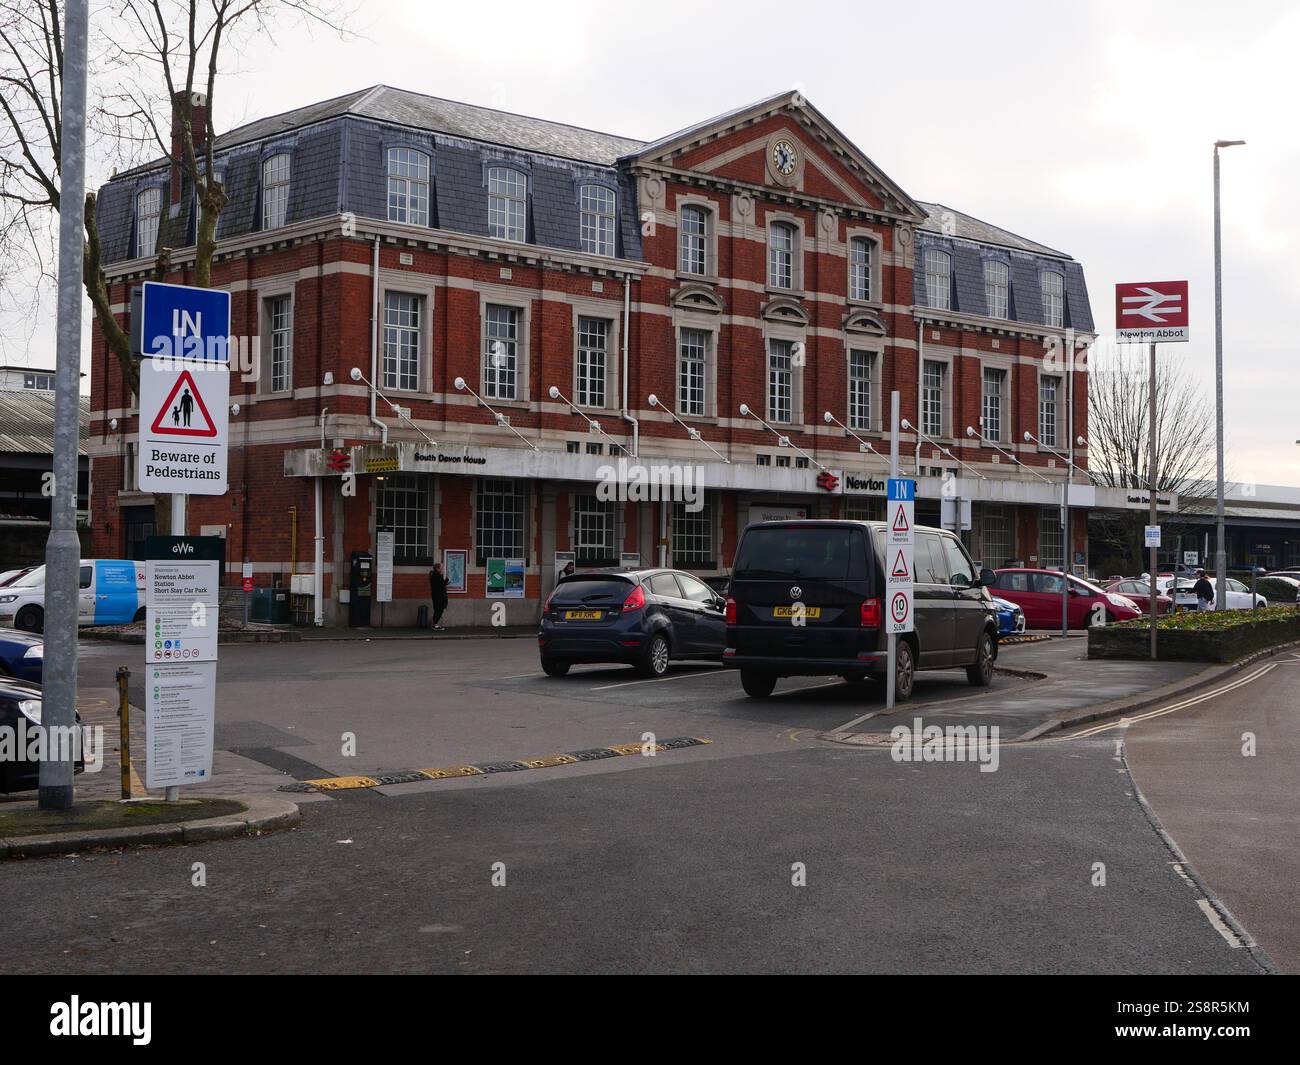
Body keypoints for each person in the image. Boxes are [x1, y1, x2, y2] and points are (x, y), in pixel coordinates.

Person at [428, 562, 449, 630]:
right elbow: (441, 585)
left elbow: (440, 585)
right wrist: (447, 579)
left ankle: (435, 624)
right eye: (441, 568)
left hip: (437, 596)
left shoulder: (435, 575)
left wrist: (445, 582)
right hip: (438, 596)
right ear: (437, 568)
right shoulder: (436, 575)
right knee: (439, 610)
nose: (442, 569)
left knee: (438, 610)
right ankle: (435, 624)